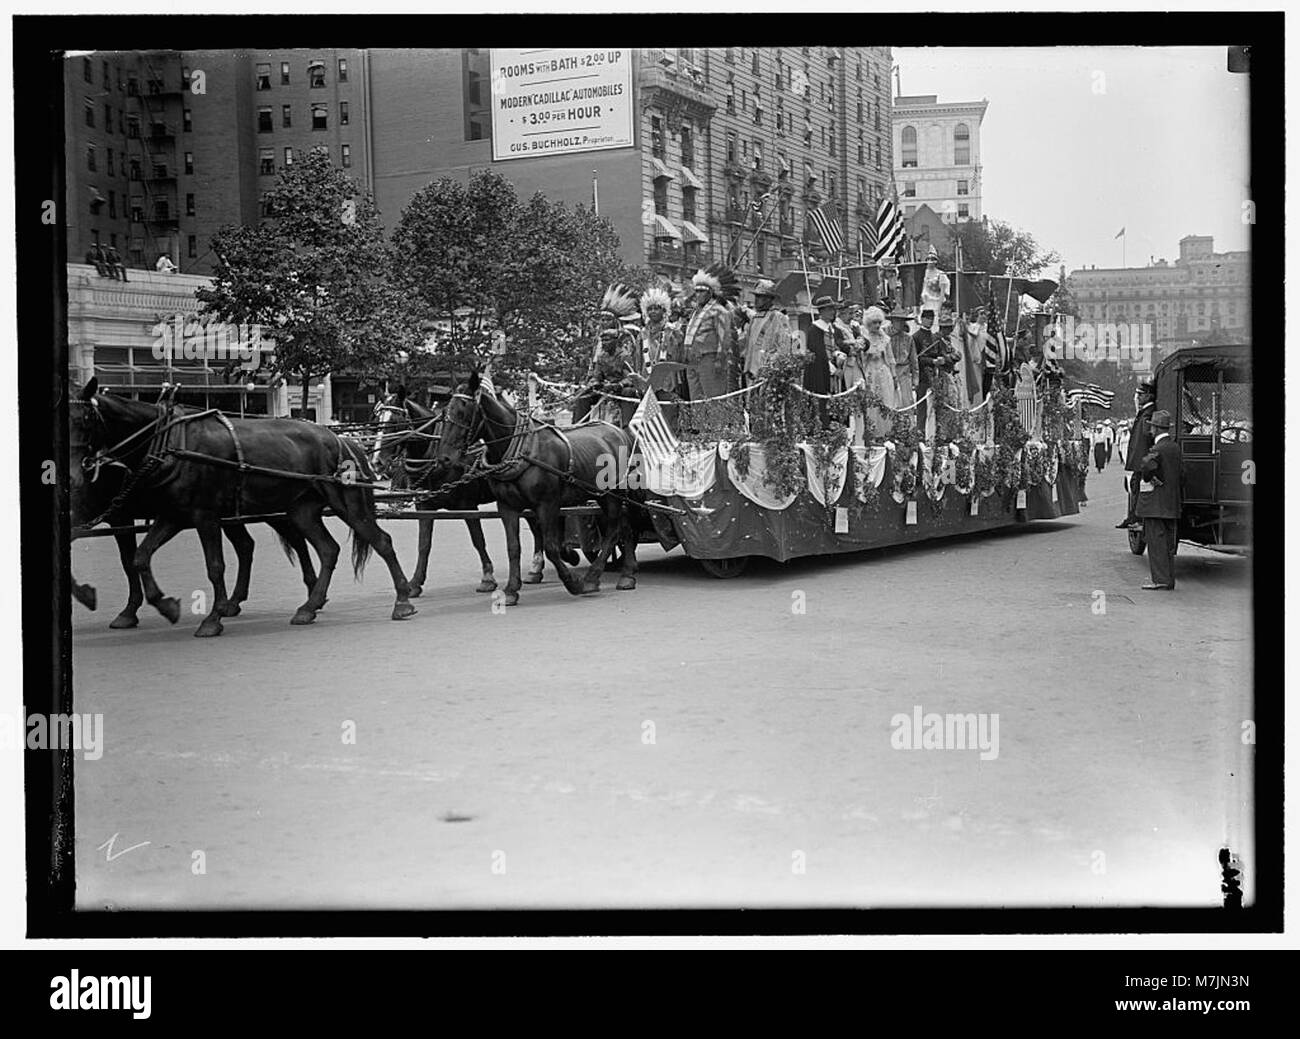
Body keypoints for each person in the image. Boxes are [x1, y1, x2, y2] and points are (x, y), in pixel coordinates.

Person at [571, 284, 640, 423]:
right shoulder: (600, 343)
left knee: (627, 394)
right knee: (584, 394)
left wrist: (617, 385)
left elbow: (631, 374)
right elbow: (597, 370)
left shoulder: (627, 337)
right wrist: (594, 382)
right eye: (602, 319)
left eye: (607, 319)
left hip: (623, 386)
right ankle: (577, 427)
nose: (604, 322)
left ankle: (626, 431)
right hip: (605, 384)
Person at [1136, 409, 1183, 590]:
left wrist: (1151, 478)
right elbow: (1182, 475)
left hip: (1156, 505)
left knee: (1156, 544)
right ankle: (1168, 580)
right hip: (1172, 504)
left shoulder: (1157, 449)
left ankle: (1161, 580)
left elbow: (1146, 466)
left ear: (1155, 428)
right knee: (1168, 545)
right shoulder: (1175, 448)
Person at [682, 262, 739, 401]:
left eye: (702, 291)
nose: (698, 295)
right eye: (696, 291)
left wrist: (720, 360)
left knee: (713, 398)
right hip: (692, 360)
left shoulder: (719, 311)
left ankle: (716, 418)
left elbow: (725, 339)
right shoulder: (695, 313)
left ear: (710, 292)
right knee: (696, 400)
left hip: (710, 359)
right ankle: (698, 417)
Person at [1116, 380, 1157, 529]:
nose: (1138, 397)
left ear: (1149, 396)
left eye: (1141, 394)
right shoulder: (1145, 412)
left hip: (1143, 459)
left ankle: (1137, 518)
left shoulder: (1149, 413)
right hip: (1139, 459)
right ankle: (1133, 516)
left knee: (1139, 489)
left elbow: (1146, 436)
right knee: (1135, 487)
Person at [803, 295, 846, 425]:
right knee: (820, 404)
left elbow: (835, 346)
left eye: (833, 309)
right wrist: (833, 369)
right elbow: (818, 354)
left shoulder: (833, 329)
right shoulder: (814, 330)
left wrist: (838, 354)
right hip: (819, 373)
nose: (832, 312)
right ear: (821, 311)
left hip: (833, 372)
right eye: (829, 309)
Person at [740, 278, 792, 385]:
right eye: (756, 296)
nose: (756, 300)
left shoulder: (778, 317)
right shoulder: (755, 318)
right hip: (751, 370)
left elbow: (784, 345)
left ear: (769, 299)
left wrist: (772, 365)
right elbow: (748, 342)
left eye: (760, 297)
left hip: (768, 370)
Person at [857, 305, 898, 441]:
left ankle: (885, 434)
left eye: (879, 322)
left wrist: (894, 376)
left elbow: (891, 359)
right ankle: (871, 433)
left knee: (885, 401)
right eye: (874, 322)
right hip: (870, 373)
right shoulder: (863, 338)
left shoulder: (885, 338)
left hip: (883, 372)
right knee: (871, 404)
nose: (877, 325)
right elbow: (860, 359)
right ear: (868, 323)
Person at [888, 308, 917, 408]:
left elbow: (914, 359)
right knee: (891, 401)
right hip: (890, 371)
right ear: (892, 321)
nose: (900, 323)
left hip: (904, 371)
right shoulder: (885, 335)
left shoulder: (908, 338)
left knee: (906, 401)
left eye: (902, 320)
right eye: (897, 320)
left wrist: (915, 378)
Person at [919, 245, 949, 320]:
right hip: (924, 304)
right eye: (928, 259)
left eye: (932, 259)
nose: (930, 261)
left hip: (936, 303)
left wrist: (939, 308)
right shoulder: (921, 274)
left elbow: (942, 293)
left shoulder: (941, 274)